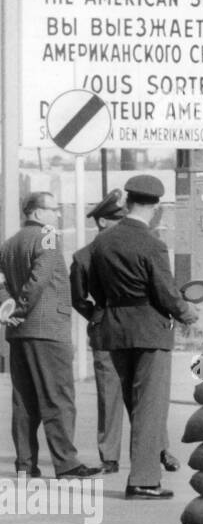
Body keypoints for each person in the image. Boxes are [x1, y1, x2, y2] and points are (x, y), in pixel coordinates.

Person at [85, 175, 199, 499]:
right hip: (150, 330)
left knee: (134, 403)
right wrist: (187, 314)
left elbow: (94, 288)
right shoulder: (153, 244)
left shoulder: (102, 242)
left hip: (116, 329)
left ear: (128, 202)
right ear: (155, 207)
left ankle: (143, 473)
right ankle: (144, 480)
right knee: (150, 406)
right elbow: (165, 292)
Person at [0, 191, 99, 479]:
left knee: (24, 401)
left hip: (19, 334)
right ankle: (66, 463)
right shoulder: (47, 237)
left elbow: (3, 283)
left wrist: (9, 308)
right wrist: (20, 309)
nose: (57, 214)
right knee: (59, 398)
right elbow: (39, 279)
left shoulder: (9, 244)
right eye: (54, 209)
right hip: (47, 330)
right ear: (38, 212)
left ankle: (25, 464)